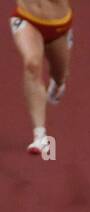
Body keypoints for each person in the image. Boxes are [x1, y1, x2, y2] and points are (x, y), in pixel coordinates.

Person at [9, 0, 72, 155]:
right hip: (26, 17)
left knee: (60, 74)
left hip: (58, 24)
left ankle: (58, 83)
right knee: (32, 64)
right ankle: (40, 136)